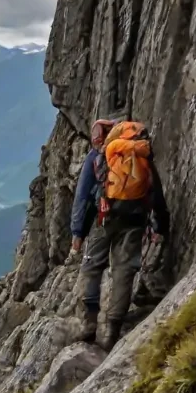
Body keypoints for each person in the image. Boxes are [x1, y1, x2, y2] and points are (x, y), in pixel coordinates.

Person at [71, 119, 170, 350]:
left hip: (104, 218)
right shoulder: (142, 154)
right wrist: (160, 227)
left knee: (92, 267)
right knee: (124, 271)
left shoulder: (101, 156)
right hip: (135, 220)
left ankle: (89, 324)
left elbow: (82, 195)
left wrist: (77, 232)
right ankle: (113, 329)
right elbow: (156, 193)